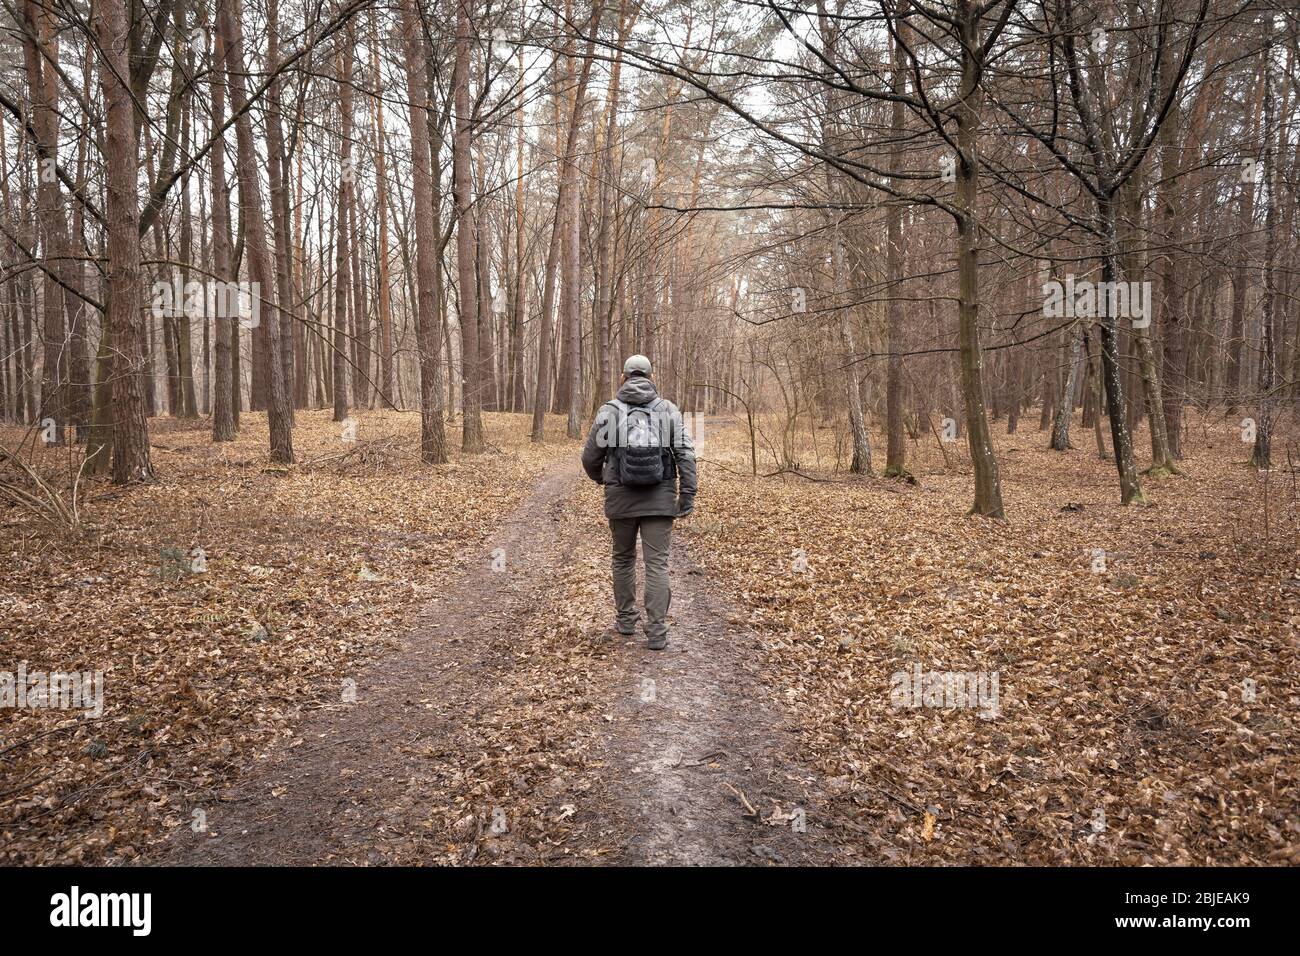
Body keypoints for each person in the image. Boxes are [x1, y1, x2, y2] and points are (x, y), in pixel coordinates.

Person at [581, 355, 697, 650]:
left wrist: (602, 479)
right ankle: (657, 632)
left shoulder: (609, 412)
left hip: (620, 497)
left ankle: (626, 621)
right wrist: (687, 494)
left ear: (623, 377)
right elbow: (685, 453)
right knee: (656, 563)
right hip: (659, 499)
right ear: (650, 376)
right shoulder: (667, 410)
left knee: (623, 558)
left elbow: (590, 457)